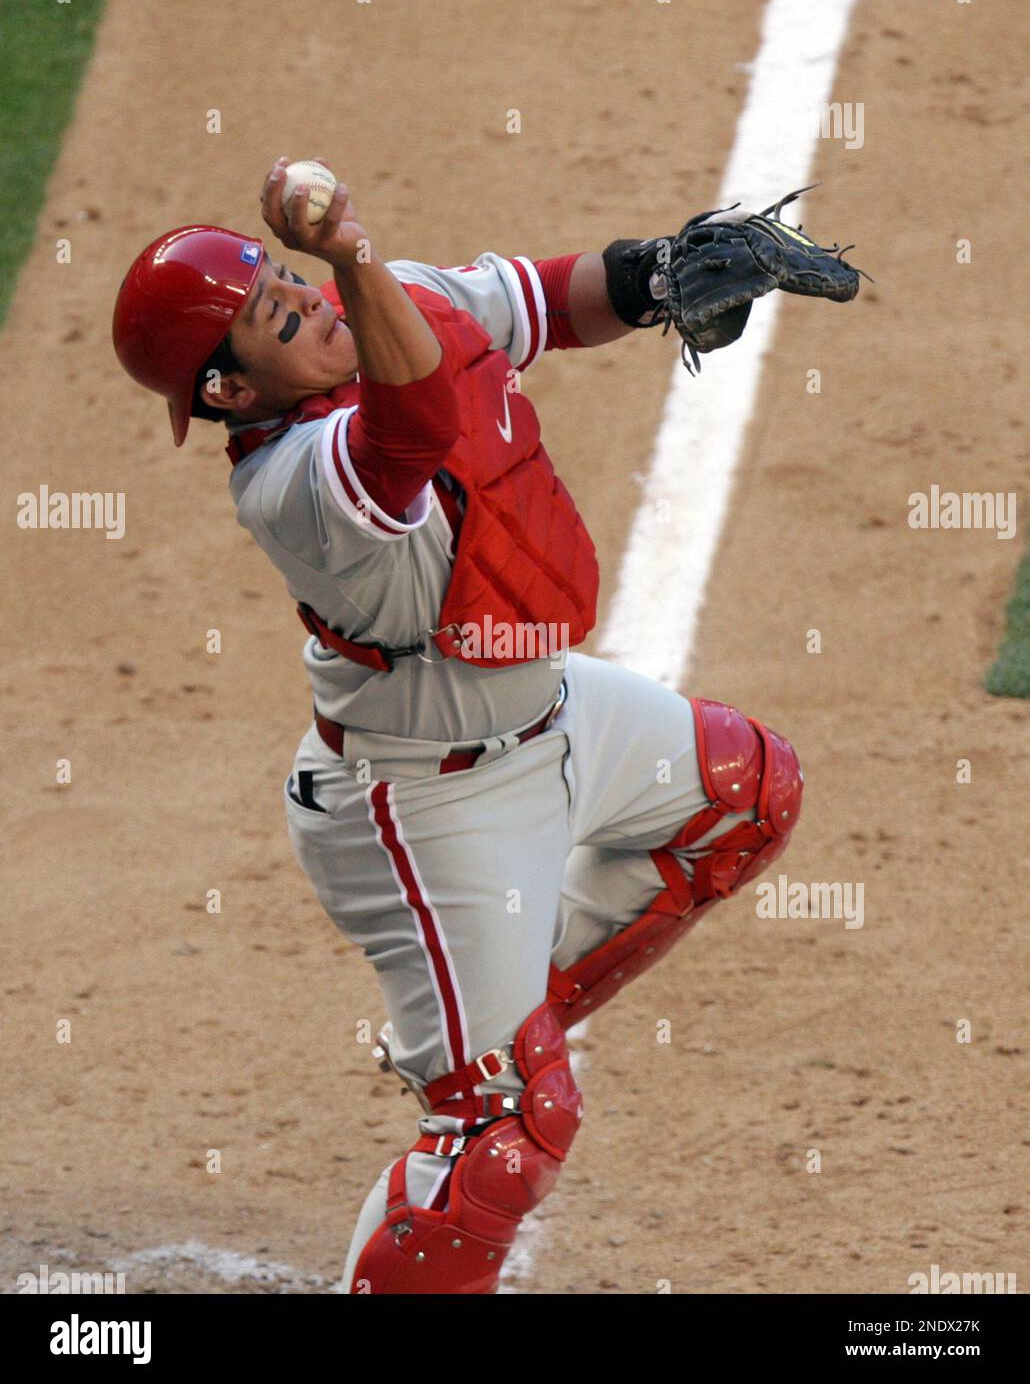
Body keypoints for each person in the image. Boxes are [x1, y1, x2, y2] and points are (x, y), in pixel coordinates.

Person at [112, 157, 803, 1294]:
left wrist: (658, 276)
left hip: (554, 717)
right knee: (505, 1133)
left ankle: (486, 1021)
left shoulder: (381, 302)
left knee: (744, 791)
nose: (304, 302)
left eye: (285, 281)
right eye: (269, 316)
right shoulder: (294, 483)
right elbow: (418, 416)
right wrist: (350, 256)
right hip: (427, 804)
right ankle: (477, 1060)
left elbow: (534, 301)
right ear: (230, 393)